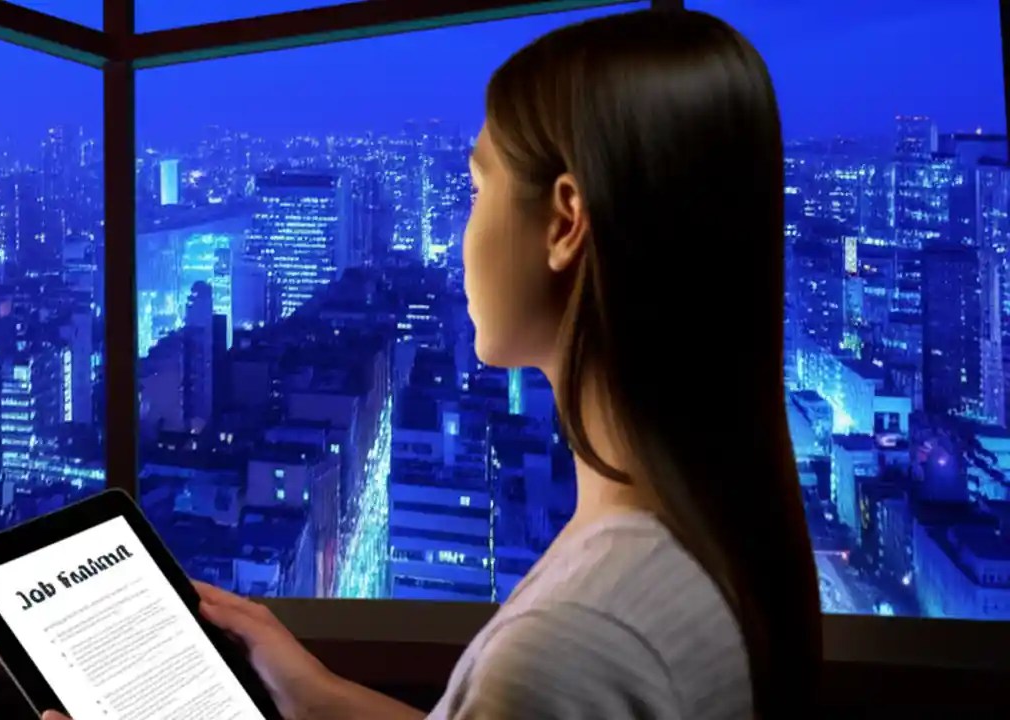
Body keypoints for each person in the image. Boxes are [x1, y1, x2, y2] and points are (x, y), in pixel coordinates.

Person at [46, 7, 822, 720]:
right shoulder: (701, 536)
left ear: (564, 222)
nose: (463, 230)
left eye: (476, 186)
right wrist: (316, 695)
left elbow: (541, 689)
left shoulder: (577, 645)